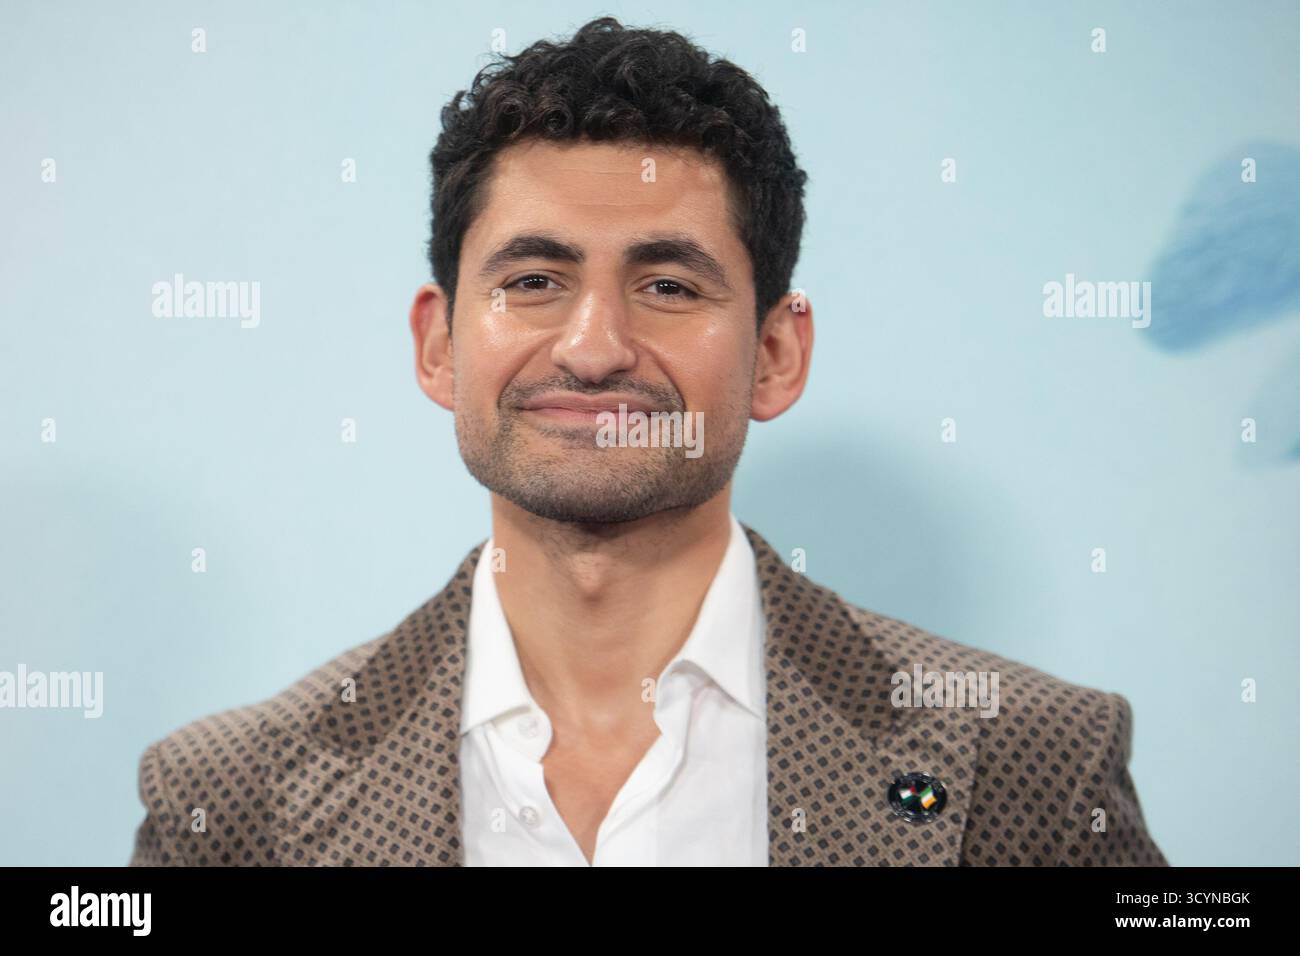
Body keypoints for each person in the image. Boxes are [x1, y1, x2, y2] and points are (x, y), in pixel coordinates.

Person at [129, 16, 1166, 867]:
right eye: (533, 281)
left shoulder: (1032, 757)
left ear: (773, 354)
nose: (593, 349)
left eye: (667, 285)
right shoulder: (231, 797)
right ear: (438, 345)